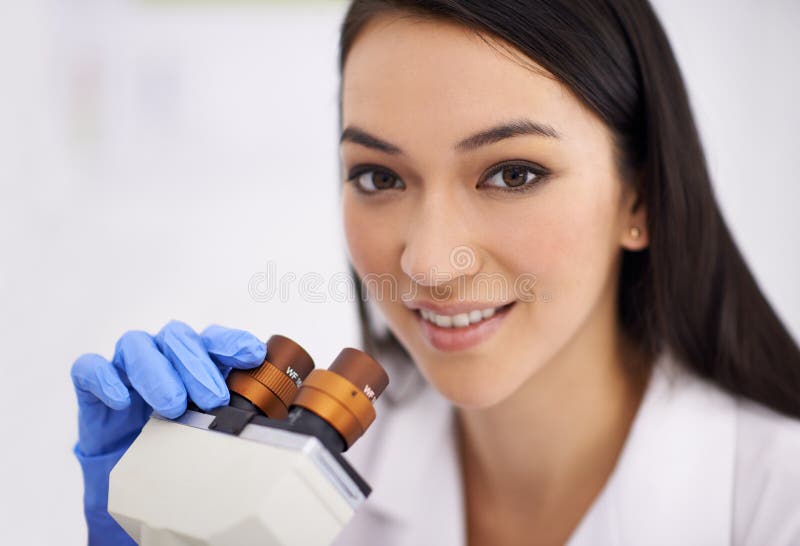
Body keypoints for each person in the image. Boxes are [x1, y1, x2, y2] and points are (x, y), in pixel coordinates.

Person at [70, 1, 800, 545]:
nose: (425, 263)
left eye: (513, 173)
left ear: (639, 194)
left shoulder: (772, 500)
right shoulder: (288, 492)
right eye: (380, 177)